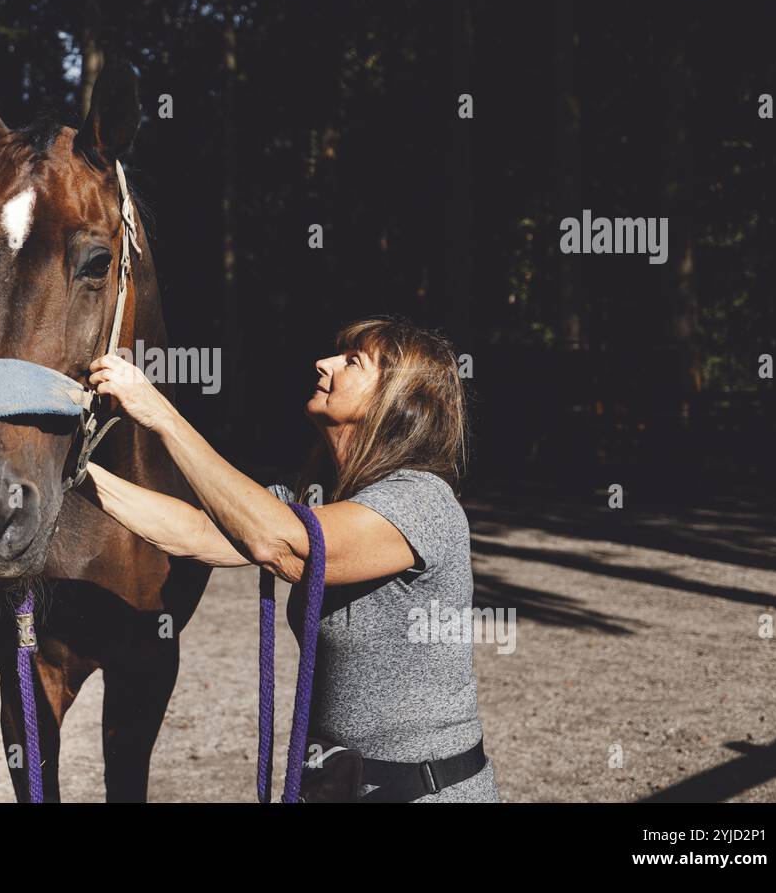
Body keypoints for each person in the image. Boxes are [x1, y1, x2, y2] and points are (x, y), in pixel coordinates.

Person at [81, 314, 499, 802]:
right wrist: (75, 471)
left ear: (399, 400)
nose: (324, 363)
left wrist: (161, 416)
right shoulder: (318, 498)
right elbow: (197, 532)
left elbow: (283, 547)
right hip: (337, 787)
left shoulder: (422, 500)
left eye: (353, 361)